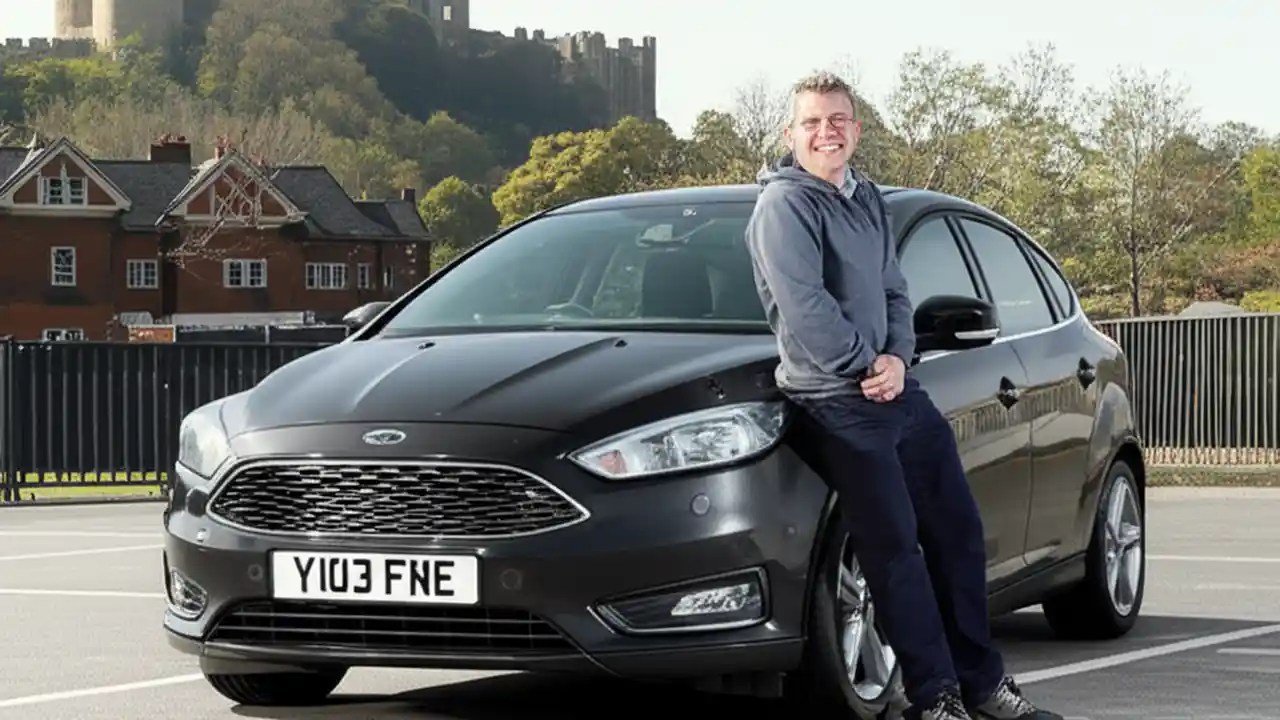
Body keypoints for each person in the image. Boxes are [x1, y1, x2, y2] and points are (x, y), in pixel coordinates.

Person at [743, 71, 1063, 720]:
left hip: (896, 392)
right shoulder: (784, 206)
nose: (826, 131)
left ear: (856, 130)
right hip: (832, 400)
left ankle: (983, 687)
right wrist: (867, 365)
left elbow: (893, 290)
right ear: (790, 134)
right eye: (812, 122)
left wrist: (897, 357)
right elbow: (805, 308)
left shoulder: (867, 200)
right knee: (896, 552)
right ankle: (934, 698)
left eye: (838, 120)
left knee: (959, 534)